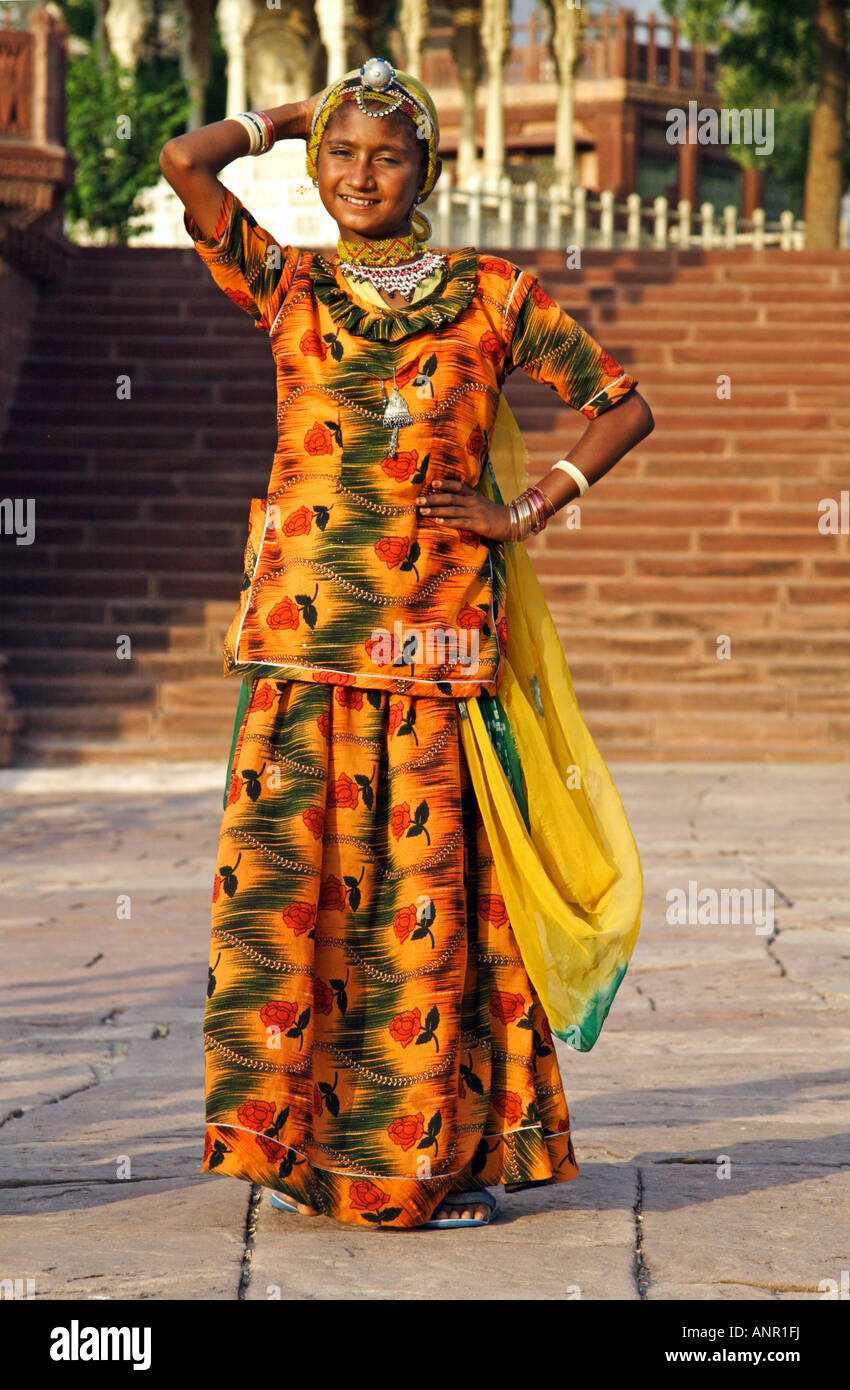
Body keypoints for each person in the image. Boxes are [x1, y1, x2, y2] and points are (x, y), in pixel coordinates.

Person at [159, 57, 653, 1231]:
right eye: (341, 154)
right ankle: (301, 1152)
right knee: (291, 906)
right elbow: (183, 162)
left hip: (434, 649)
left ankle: (437, 1158)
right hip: (300, 645)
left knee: (427, 912)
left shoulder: (491, 293)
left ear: (427, 170)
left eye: (387, 154)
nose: (360, 175)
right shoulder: (286, 285)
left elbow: (621, 401)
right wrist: (286, 116)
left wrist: (524, 512)